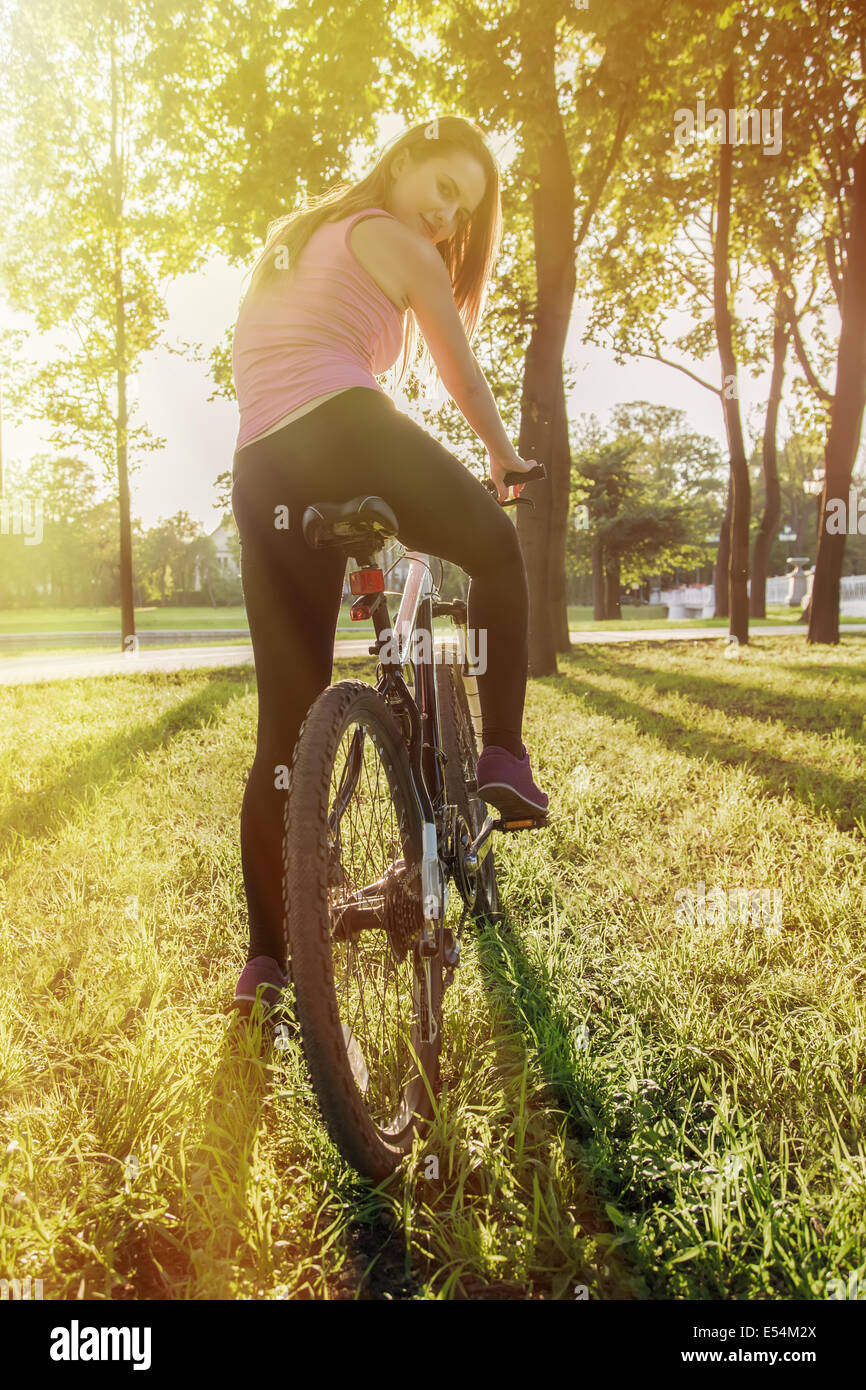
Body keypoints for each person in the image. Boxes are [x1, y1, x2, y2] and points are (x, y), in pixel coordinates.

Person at [229, 115, 549, 1021]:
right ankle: (503, 755)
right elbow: (455, 363)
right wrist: (501, 454)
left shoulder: (294, 238)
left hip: (261, 472)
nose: (446, 218)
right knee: (492, 546)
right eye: (442, 188)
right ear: (400, 161)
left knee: (281, 738)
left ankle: (265, 963)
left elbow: (262, 362)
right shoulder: (390, 236)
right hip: (344, 429)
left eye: (463, 210)